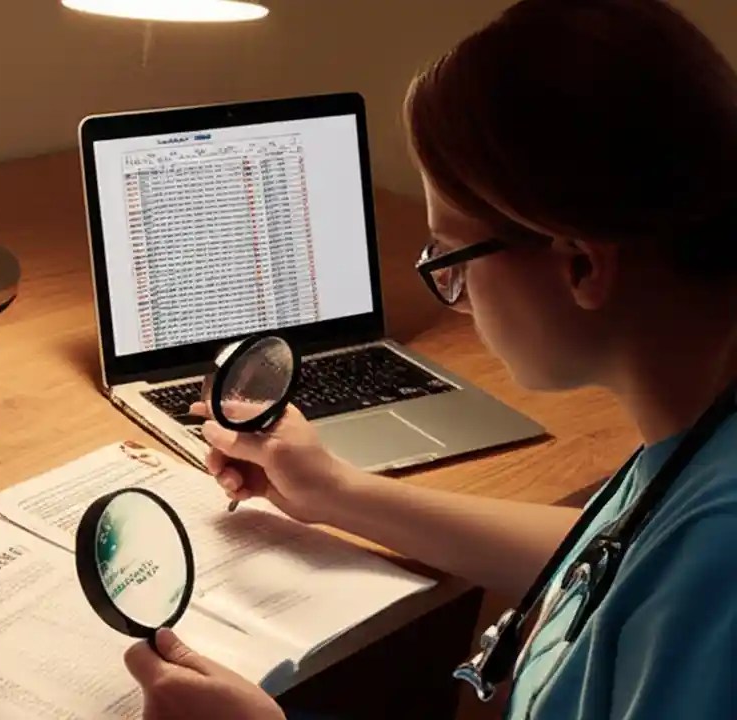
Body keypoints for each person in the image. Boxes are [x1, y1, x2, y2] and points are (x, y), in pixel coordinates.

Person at [121, 0, 737, 718]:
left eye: (449, 256)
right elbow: (612, 556)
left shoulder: (719, 571)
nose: (452, 290)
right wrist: (339, 494)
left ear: (580, 266)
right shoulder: (700, 435)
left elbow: (670, 575)